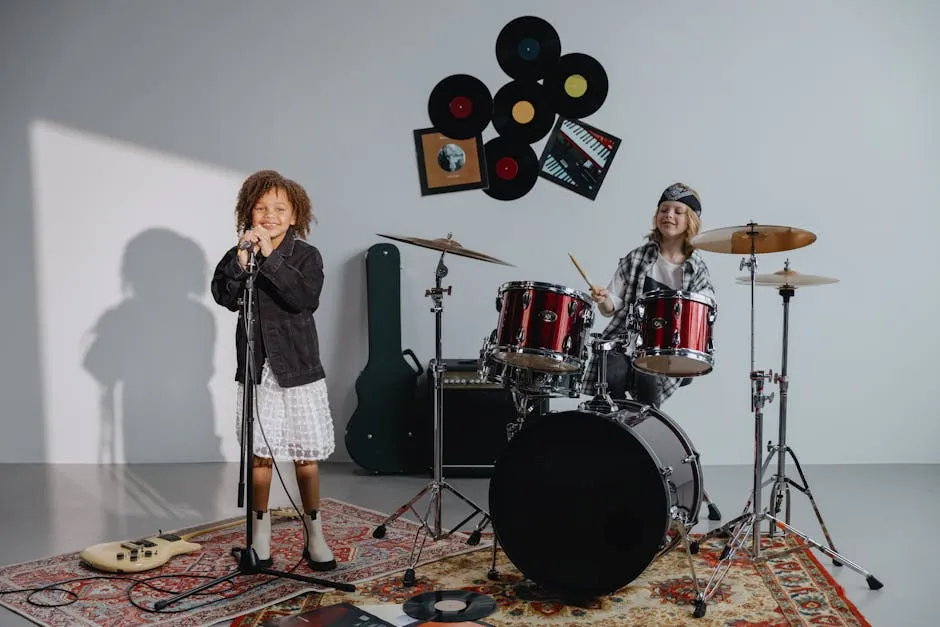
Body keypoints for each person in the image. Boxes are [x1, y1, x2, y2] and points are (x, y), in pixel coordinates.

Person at [211, 169, 337, 571]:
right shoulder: (241, 253)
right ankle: (259, 536)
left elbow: (304, 298)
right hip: (257, 367)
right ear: (248, 213)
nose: (270, 215)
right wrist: (242, 260)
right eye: (261, 207)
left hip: (297, 367)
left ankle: (314, 533)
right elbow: (223, 294)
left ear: (295, 215)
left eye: (279, 208)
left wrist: (268, 258)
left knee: (305, 455)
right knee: (259, 455)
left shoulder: (306, 256)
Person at [583, 182, 717, 409]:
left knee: (649, 376)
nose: (669, 215)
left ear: (690, 220)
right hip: (625, 340)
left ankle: (644, 428)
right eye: (664, 209)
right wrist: (603, 299)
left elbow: (705, 312)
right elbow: (610, 307)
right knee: (612, 372)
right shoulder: (637, 257)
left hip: (666, 347)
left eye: (678, 211)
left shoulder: (696, 267)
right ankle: (614, 423)